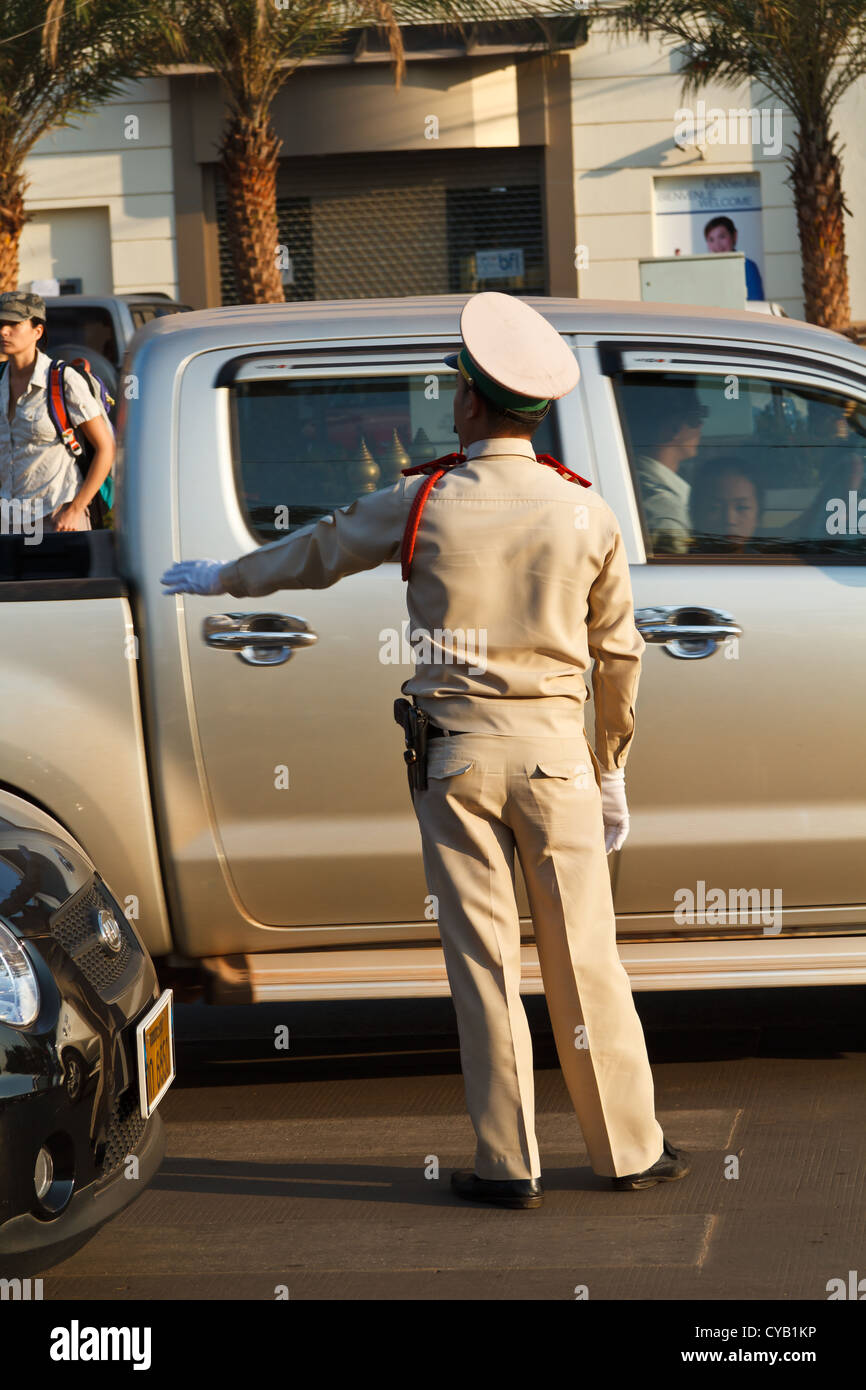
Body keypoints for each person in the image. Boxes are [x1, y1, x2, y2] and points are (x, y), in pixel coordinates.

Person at [161, 291, 690, 1209]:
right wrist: (610, 767)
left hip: (458, 763)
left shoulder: (426, 499)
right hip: (560, 762)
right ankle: (628, 1150)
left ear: (473, 404)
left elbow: (319, 551)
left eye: (456, 391)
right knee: (588, 957)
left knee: (483, 962)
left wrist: (223, 578)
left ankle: (506, 1165)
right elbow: (619, 654)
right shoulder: (587, 512)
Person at [0, 291, 114, 533]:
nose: (3, 331)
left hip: (58, 520)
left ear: (37, 331)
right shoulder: (0, 379)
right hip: (7, 521)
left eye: (13, 324)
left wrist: (74, 510)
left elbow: (106, 448)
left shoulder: (64, 380)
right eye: (0, 324)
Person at [625, 378, 707, 554]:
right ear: (674, 428)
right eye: (695, 417)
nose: (701, 425)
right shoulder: (666, 512)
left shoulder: (633, 481)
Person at [704, 215, 765, 301]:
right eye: (711, 240)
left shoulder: (747, 267)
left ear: (734, 236)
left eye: (722, 237)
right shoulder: (705, 269)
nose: (717, 245)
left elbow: (756, 304)